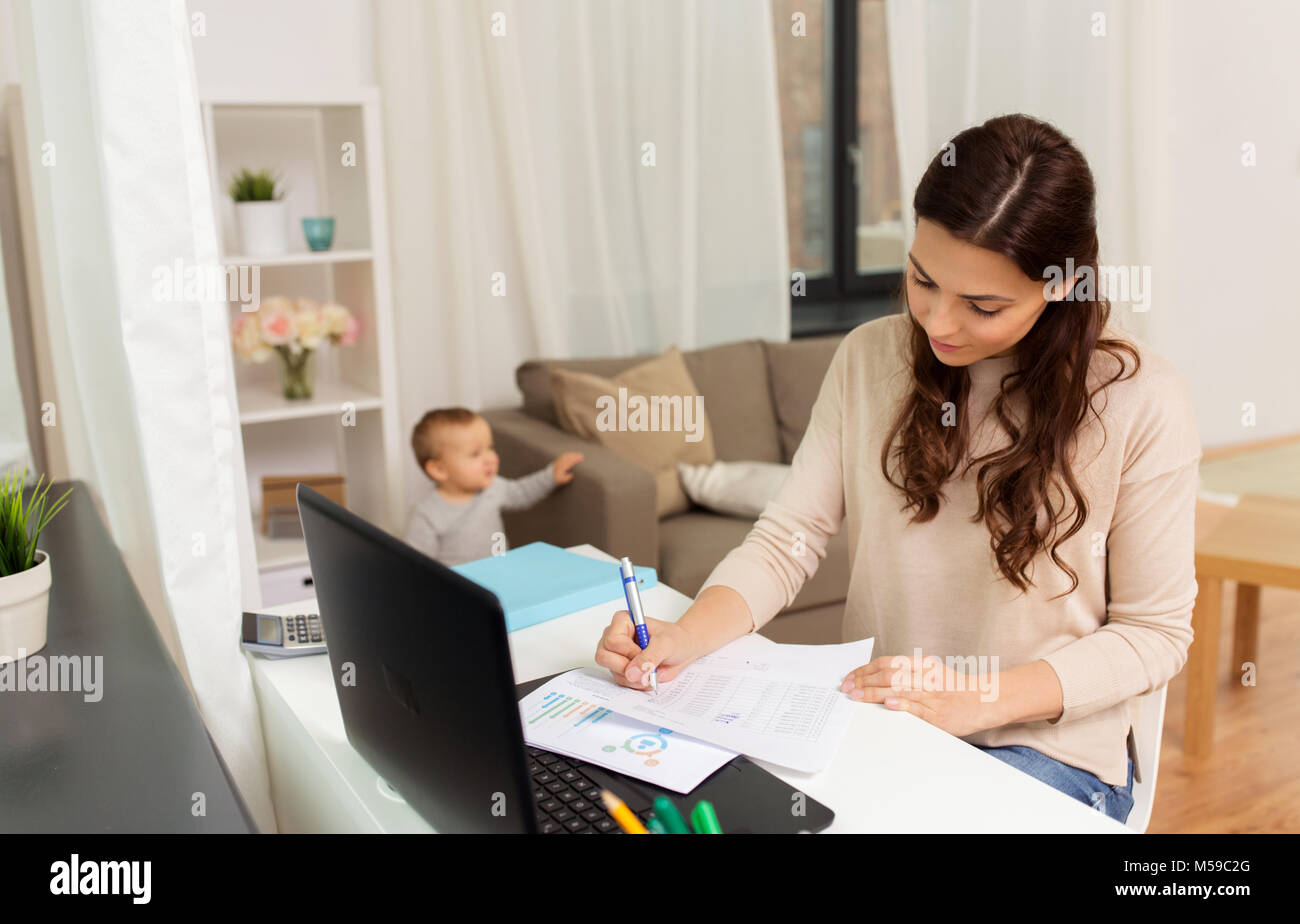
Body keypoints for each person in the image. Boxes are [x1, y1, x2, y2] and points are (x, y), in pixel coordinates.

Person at [594, 114, 1202, 825]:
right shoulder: (867, 359)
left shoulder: (1141, 401)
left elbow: (1154, 635)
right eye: (922, 278)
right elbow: (789, 536)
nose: (939, 322)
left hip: (1047, 754)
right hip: (884, 728)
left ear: (1061, 285)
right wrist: (687, 636)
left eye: (983, 305)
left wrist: (975, 700)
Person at [405, 407, 583, 566]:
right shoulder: (427, 515)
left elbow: (522, 492)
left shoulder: (493, 488)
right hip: (460, 593)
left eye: (490, 448)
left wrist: (551, 475)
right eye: (475, 454)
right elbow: (417, 567)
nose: (491, 458)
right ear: (439, 469)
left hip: (500, 577)